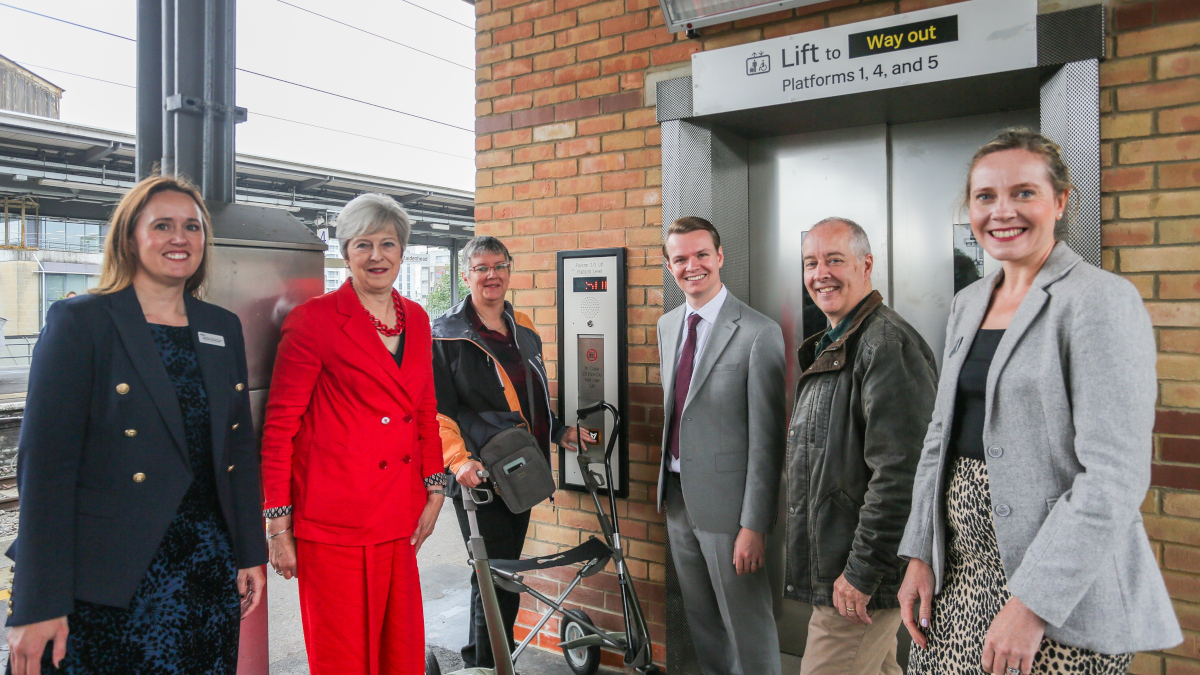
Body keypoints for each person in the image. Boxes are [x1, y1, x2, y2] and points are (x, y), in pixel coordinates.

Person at [898, 129, 1182, 675]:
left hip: (1056, 594)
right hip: (960, 576)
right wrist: (920, 552)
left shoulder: (1099, 300)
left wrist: (1032, 604)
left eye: (1023, 193)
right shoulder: (969, 301)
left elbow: (1114, 476)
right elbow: (939, 440)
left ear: (1060, 201)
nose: (1002, 211)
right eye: (985, 197)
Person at [5, 175, 266, 675]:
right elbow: (45, 469)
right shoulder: (82, 322)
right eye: (162, 225)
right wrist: (37, 601)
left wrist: (248, 551)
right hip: (112, 578)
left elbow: (238, 451)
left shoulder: (221, 327)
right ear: (129, 237)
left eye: (192, 226)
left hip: (205, 571)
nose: (180, 238)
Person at [259, 193, 445, 675]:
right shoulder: (314, 321)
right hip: (335, 522)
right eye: (363, 245)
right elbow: (280, 428)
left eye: (388, 244)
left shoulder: (419, 321)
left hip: (398, 514)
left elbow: (425, 409)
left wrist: (434, 487)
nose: (377, 256)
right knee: (343, 658)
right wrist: (278, 526)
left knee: (399, 653)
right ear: (345, 253)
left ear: (403, 251)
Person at [785, 218, 938, 675]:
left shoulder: (885, 344)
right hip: (841, 571)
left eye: (835, 259)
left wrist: (861, 573)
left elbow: (901, 473)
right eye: (811, 262)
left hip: (858, 577)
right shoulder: (839, 342)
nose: (820, 273)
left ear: (866, 264)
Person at [432, 236, 591, 669]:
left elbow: (531, 397)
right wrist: (458, 461)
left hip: (520, 469)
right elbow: (434, 410)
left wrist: (559, 432)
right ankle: (490, 665)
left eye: (498, 266)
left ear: (509, 270)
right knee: (494, 577)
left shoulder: (522, 327)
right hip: (479, 478)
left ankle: (481, 663)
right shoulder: (445, 336)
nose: (491, 275)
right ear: (466, 275)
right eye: (481, 268)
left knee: (498, 576)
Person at [655, 216, 785, 675]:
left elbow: (768, 443)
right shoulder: (668, 326)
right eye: (681, 258)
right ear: (670, 266)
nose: (693, 266)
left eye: (701, 255)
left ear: (720, 256)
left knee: (747, 625)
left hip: (732, 513)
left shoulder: (758, 332)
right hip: (676, 499)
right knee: (701, 620)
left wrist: (754, 524)